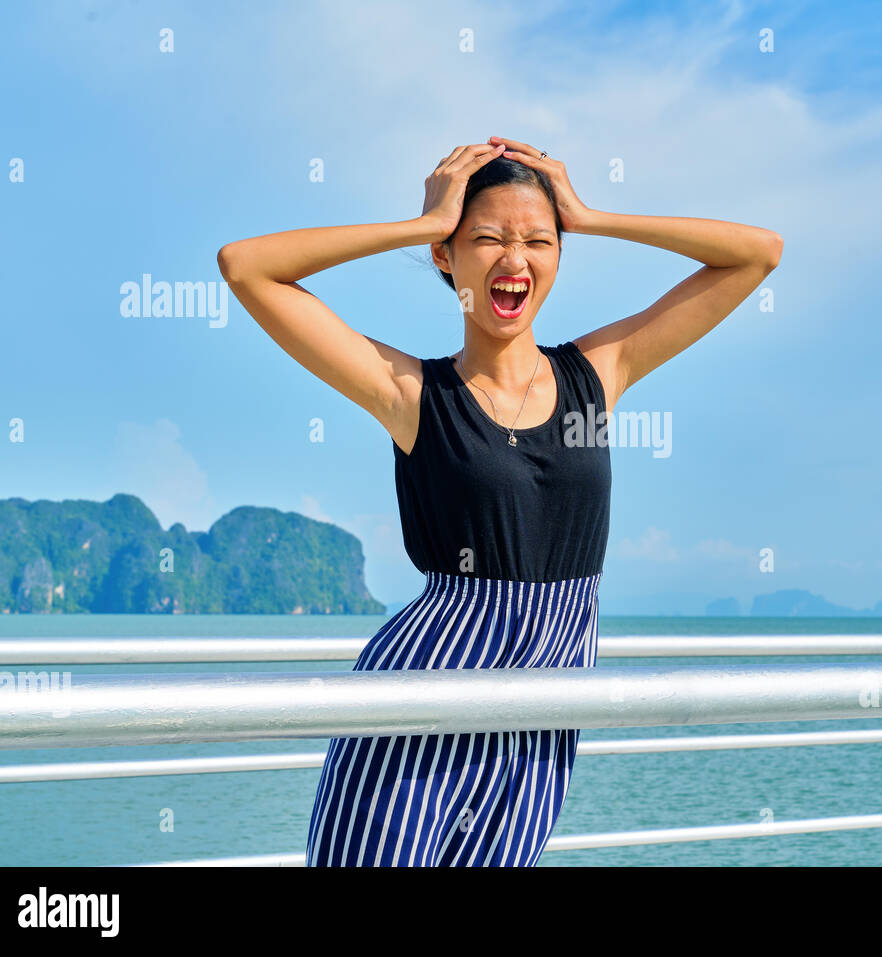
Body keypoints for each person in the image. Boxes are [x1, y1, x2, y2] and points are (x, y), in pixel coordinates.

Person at [216, 135, 783, 866]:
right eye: (485, 239)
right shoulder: (416, 394)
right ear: (448, 260)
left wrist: (590, 213)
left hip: (542, 720)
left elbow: (757, 254)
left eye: (537, 241)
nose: (514, 260)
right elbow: (246, 267)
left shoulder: (597, 374)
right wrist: (421, 227)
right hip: (414, 712)